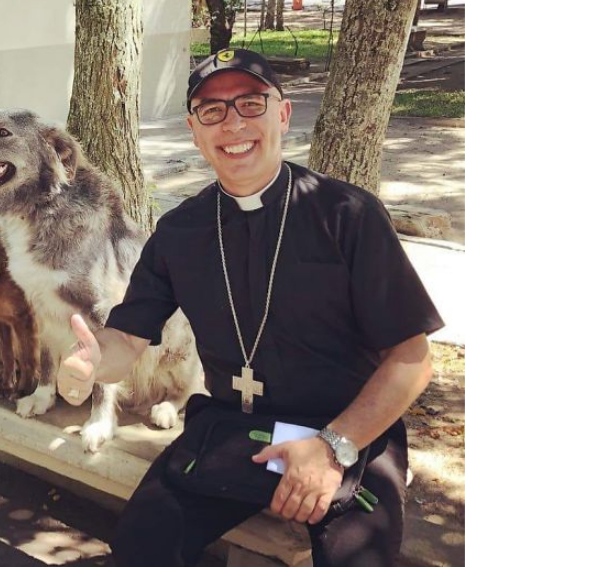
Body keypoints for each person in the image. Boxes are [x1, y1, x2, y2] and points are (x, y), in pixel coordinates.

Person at [57, 49, 444, 567]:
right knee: (139, 548)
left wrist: (332, 446)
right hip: (233, 428)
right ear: (195, 131)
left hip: (350, 431)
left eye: (250, 103)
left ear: (282, 114)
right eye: (212, 110)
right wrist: (89, 363)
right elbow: (127, 338)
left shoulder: (347, 214)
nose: (232, 122)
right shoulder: (180, 231)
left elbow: (412, 359)